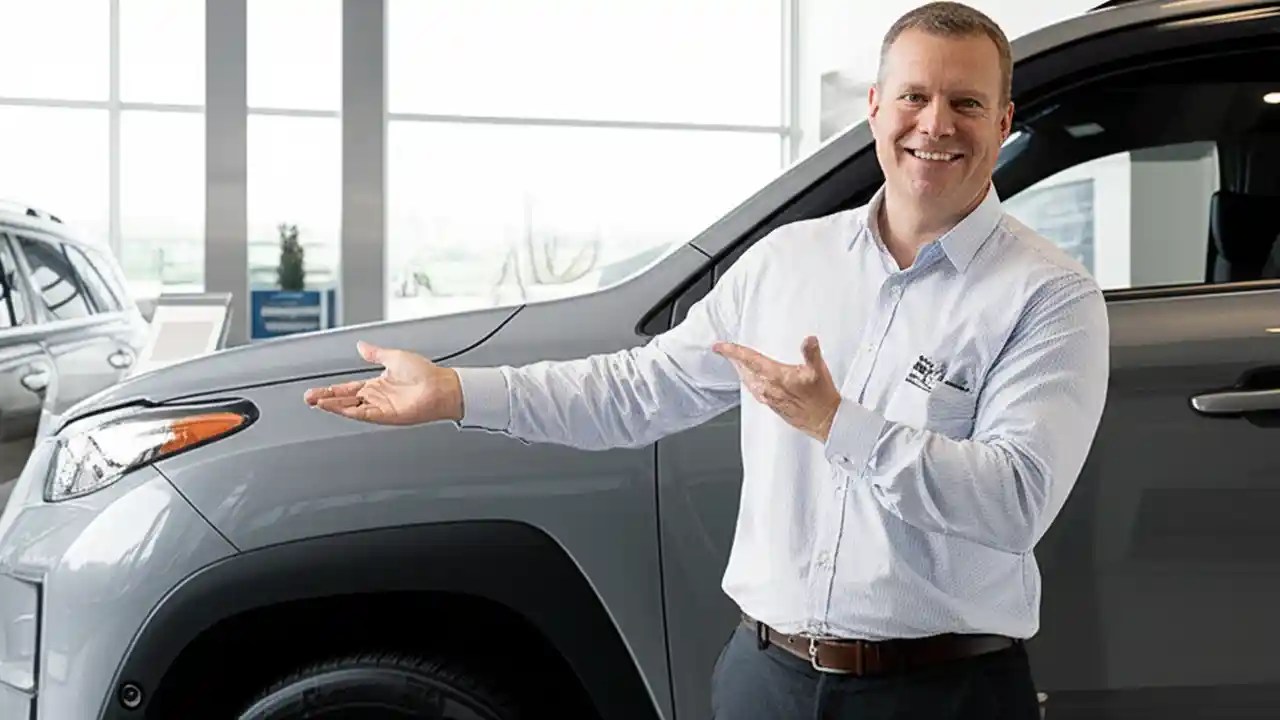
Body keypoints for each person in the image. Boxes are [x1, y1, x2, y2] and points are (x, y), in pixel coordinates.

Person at [305, 2, 1109, 717]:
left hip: (944, 693)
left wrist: (838, 424)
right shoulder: (788, 263)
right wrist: (455, 391)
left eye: (966, 103)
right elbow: (638, 391)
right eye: (913, 97)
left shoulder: (1048, 295)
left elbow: (1013, 501)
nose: (935, 125)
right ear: (874, 108)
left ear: (1003, 121)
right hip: (766, 684)